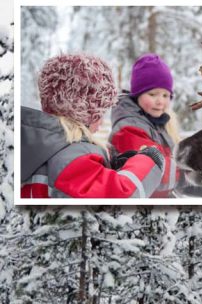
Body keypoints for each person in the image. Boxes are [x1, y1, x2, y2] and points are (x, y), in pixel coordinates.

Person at [20, 53, 164, 199]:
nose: (101, 123)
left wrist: (109, 168)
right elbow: (121, 196)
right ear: (85, 112)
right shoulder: (72, 157)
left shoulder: (40, 147)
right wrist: (150, 160)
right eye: (100, 113)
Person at [109, 54, 182, 198]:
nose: (160, 101)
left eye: (165, 95)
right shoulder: (129, 129)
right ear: (138, 94)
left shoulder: (159, 124)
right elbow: (152, 170)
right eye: (153, 94)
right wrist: (189, 174)